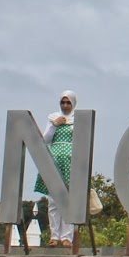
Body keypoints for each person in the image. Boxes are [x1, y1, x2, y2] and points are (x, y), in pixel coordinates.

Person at [34, 90, 78, 247]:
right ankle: (54, 236)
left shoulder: (77, 120)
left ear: (73, 104)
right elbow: (45, 139)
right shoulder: (53, 118)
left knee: (69, 199)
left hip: (70, 161)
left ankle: (67, 237)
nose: (65, 106)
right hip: (55, 159)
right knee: (53, 200)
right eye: (63, 102)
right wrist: (54, 125)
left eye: (68, 103)